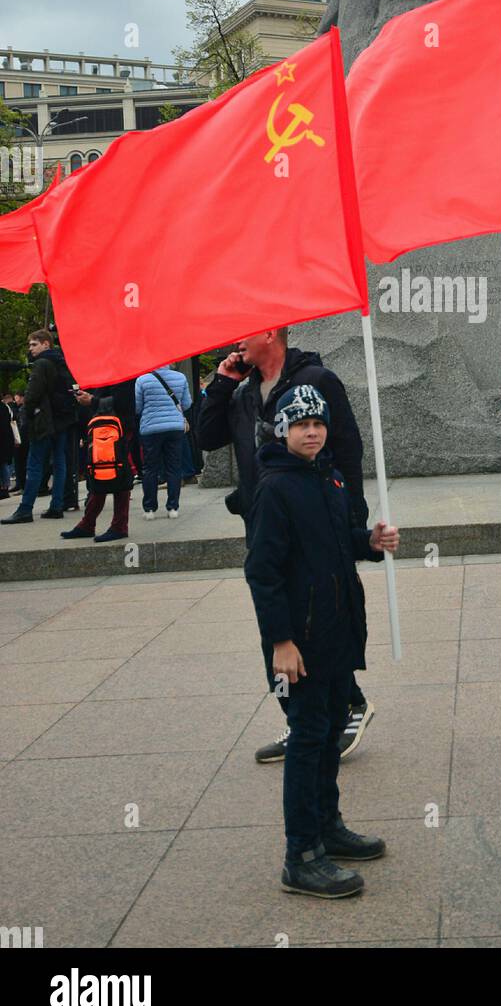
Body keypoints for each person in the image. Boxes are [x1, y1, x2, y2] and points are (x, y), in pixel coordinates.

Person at [245, 384, 400, 899]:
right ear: (282, 430)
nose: (311, 431)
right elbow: (262, 573)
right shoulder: (274, 488)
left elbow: (340, 545)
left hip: (336, 633)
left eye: (318, 424)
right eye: (300, 424)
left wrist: (370, 543)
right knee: (308, 740)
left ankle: (328, 827)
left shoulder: (329, 478)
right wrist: (280, 642)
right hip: (300, 645)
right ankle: (301, 854)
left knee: (332, 729)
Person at [197, 327, 373, 763]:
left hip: (318, 520)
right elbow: (205, 438)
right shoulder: (243, 391)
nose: (235, 340)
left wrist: (351, 514)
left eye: (244, 332)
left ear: (271, 333)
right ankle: (301, 720)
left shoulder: (316, 379)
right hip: (264, 521)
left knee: (321, 620)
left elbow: (348, 448)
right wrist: (222, 383)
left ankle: (345, 704)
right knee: (275, 629)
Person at [1, 330, 77, 524]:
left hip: (44, 422)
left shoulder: (42, 364)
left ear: (46, 344)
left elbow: (33, 394)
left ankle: (25, 509)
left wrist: (26, 415)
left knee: (34, 464)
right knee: (59, 463)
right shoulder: (62, 362)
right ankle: (56, 506)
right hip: (61, 422)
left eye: (34, 344)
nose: (30, 349)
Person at [61, 382, 136, 542]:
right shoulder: (113, 368)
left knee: (114, 471)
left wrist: (92, 400)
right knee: (103, 471)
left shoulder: (121, 370)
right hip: (109, 425)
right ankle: (92, 523)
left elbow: (123, 401)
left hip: (115, 427)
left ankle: (116, 525)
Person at [134, 364, 192, 518]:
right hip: (174, 427)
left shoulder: (142, 380)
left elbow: (137, 407)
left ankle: (149, 509)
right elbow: (186, 403)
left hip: (150, 428)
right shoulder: (181, 377)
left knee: (150, 468)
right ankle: (173, 508)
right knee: (174, 467)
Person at [0, 394, 15, 499]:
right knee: (4, 464)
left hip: (3, 439)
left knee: (3, 465)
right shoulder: (5, 407)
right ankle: (5, 487)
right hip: (6, 438)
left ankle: (3, 487)